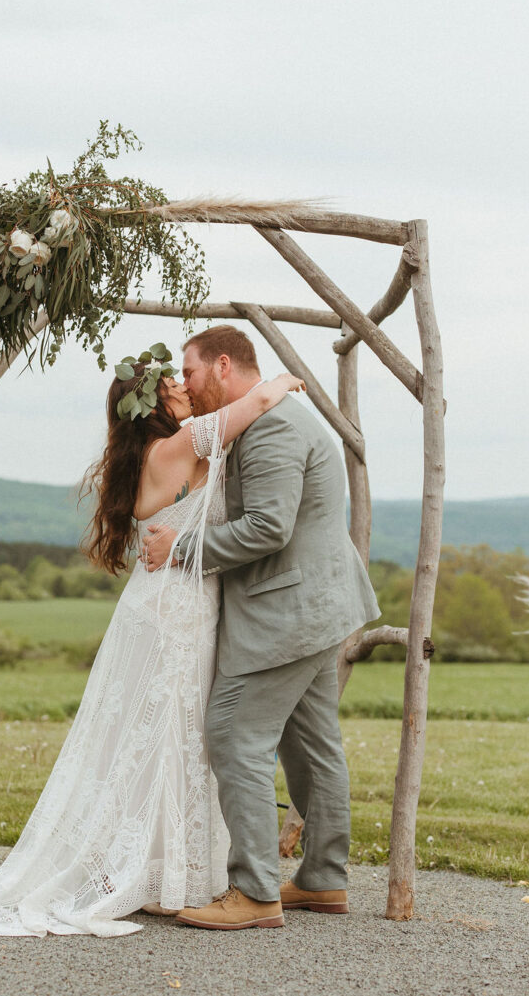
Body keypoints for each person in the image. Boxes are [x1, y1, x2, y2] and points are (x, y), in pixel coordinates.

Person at [0, 349, 304, 937]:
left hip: (172, 603)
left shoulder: (164, 450)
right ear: (154, 404)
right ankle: (160, 874)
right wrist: (286, 379)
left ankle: (169, 871)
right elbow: (258, 400)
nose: (184, 387)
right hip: (174, 609)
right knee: (169, 731)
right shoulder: (181, 445)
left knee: (176, 732)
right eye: (172, 383)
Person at [141, 325, 380, 931]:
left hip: (288, 610)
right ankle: (324, 880)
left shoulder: (272, 427)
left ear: (224, 365)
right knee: (311, 743)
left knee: (232, 733)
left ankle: (254, 892)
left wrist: (182, 547)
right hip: (318, 604)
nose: (186, 386)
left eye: (190, 373)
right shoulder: (269, 418)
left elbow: (268, 528)